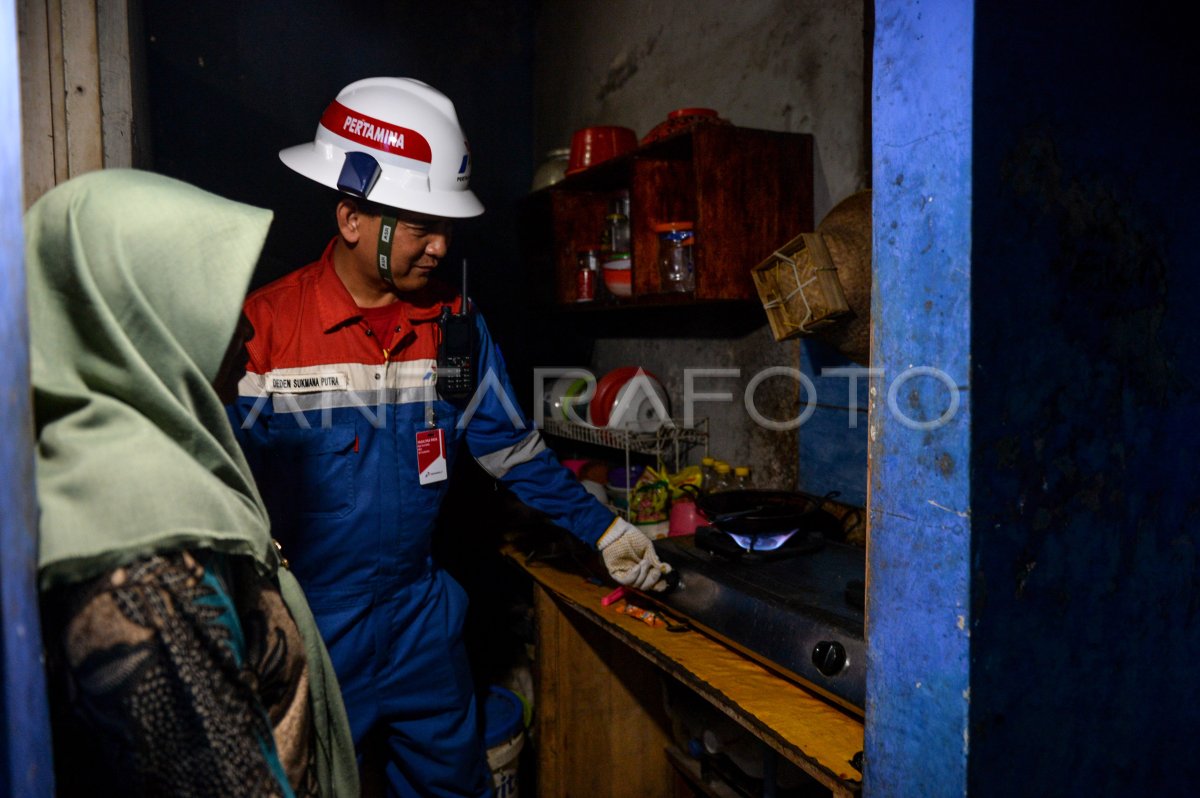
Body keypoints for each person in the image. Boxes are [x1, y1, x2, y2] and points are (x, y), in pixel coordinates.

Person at [227, 77, 671, 796]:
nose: (440, 247)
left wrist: (604, 530)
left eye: (447, 227)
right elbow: (220, 500)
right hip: (313, 632)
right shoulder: (262, 332)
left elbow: (512, 451)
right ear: (350, 218)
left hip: (421, 626)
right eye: (419, 225)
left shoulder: (455, 328)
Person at [26, 169, 358, 797]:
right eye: (211, 296)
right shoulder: (138, 558)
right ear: (142, 310)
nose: (249, 330)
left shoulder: (144, 466)